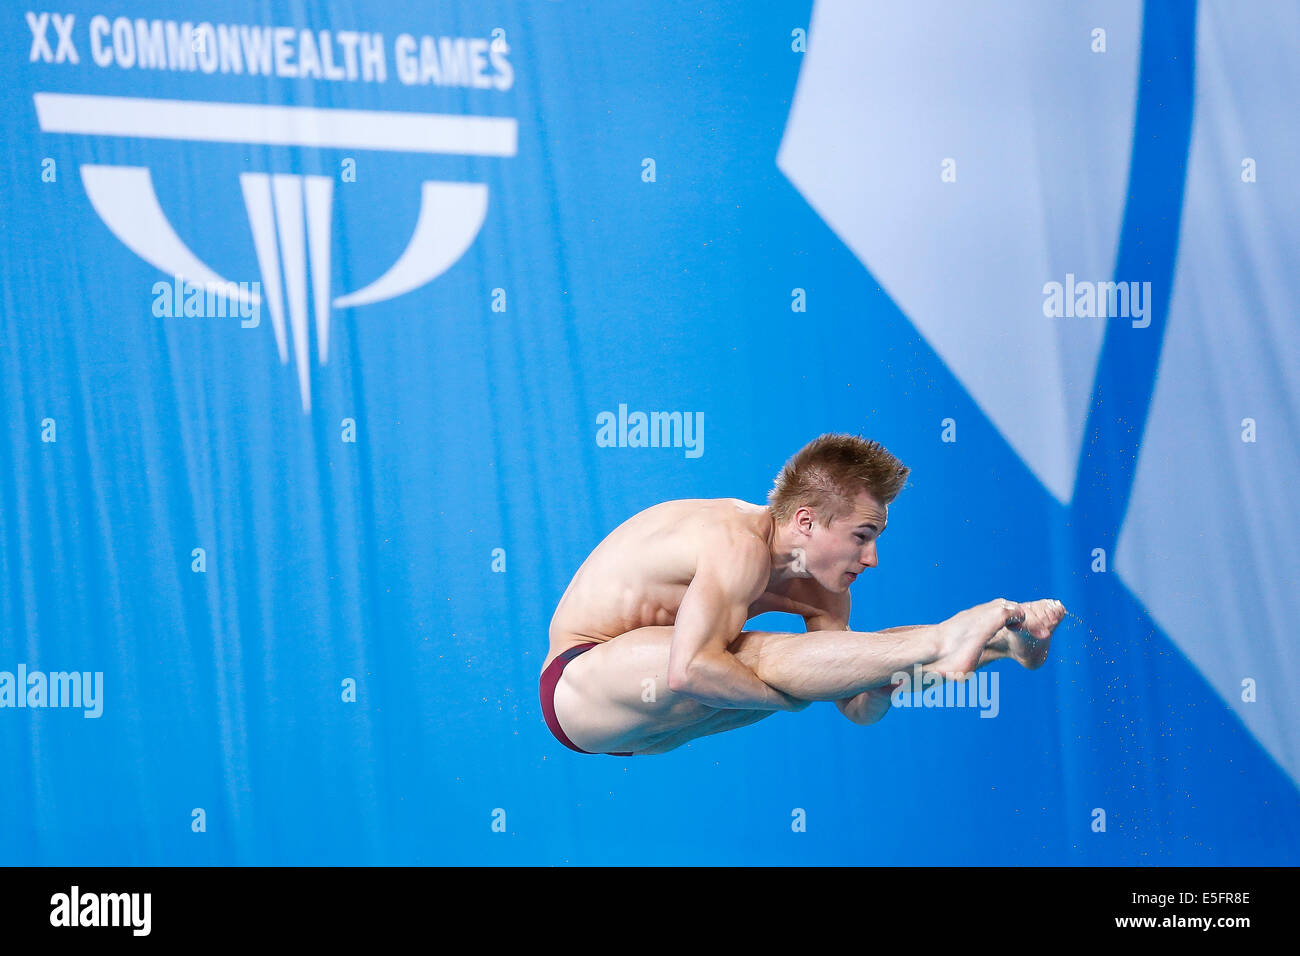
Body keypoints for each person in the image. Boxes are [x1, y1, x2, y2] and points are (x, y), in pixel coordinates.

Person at [539, 433, 1066, 756]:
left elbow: (855, 707)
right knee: (762, 658)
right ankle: (944, 636)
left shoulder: (821, 587)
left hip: (653, 731)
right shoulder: (735, 543)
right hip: (581, 683)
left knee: (836, 662)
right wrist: (793, 699)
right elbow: (690, 671)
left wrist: (878, 682)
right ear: (806, 521)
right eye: (862, 537)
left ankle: (1004, 644)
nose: (872, 558)